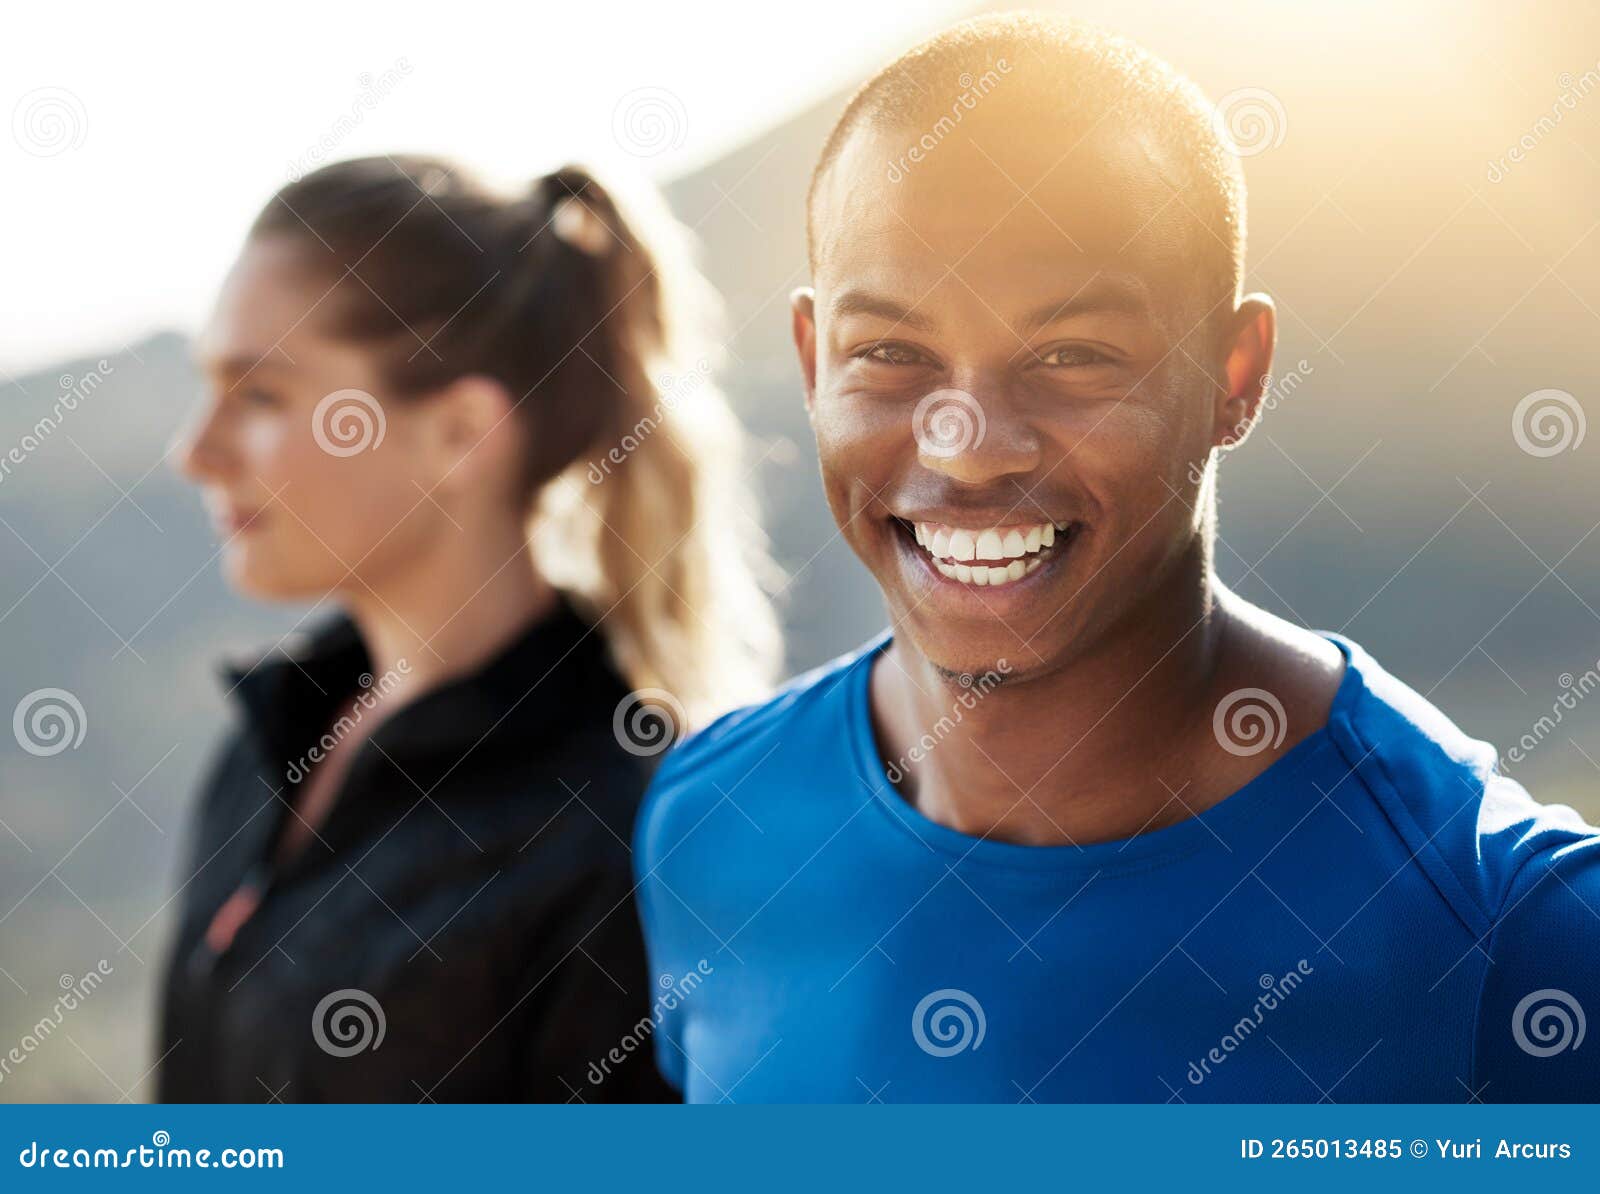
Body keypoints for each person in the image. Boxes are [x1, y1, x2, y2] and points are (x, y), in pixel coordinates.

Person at [634, 14, 1600, 1102]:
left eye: (1073, 356)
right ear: (813, 364)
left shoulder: (1510, 931)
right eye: (891, 353)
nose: (969, 444)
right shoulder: (712, 824)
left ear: (1235, 374)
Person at [161, 155, 779, 1101]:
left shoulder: (618, 845)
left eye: (260, 394)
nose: (193, 452)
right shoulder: (268, 739)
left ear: (459, 431)